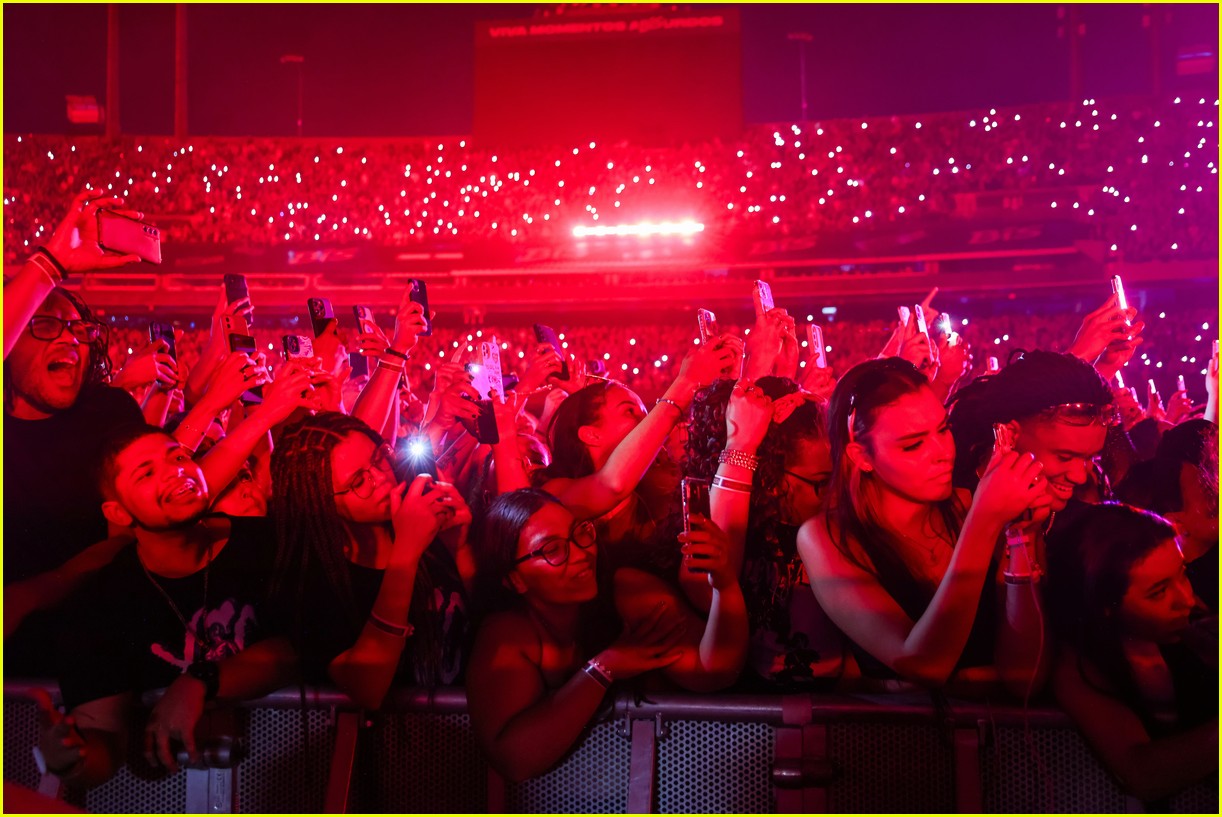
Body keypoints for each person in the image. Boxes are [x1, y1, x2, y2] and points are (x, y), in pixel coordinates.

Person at [37, 415, 312, 786]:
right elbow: (104, 741)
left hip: (295, 774)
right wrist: (71, 759)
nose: (174, 472)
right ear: (118, 512)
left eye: (179, 458)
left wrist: (197, 682)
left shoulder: (271, 543)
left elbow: (298, 650)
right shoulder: (101, 600)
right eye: (146, 474)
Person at [797, 358, 1048, 694]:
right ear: (862, 456)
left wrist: (1021, 538)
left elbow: (1026, 679)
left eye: (943, 430)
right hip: (896, 742)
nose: (942, 452)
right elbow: (924, 664)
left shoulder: (970, 505)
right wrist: (983, 524)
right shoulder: (827, 538)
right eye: (913, 444)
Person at [465, 488, 747, 782]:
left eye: (580, 533)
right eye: (552, 549)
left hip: (672, 783)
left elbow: (715, 670)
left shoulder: (627, 590)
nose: (581, 554)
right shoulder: (507, 634)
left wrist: (724, 584)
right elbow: (515, 760)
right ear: (515, 579)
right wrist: (604, 668)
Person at [267, 412, 473, 709]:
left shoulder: (430, 526)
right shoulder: (314, 580)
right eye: (358, 481)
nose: (380, 478)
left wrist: (462, 549)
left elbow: (487, 630)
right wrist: (406, 549)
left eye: (378, 459)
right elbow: (367, 687)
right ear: (321, 502)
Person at [1045, 503, 1217, 803]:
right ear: (1105, 606)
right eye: (1159, 591)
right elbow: (1143, 774)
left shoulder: (1195, 636)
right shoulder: (1078, 668)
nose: (1186, 599)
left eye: (1182, 574)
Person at [682, 376, 845, 689]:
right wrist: (741, 445)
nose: (836, 496)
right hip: (749, 727)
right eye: (821, 482)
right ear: (770, 482)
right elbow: (706, 586)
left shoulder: (841, 534)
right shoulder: (744, 542)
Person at [538, 338, 738, 573]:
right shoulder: (556, 491)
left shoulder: (664, 485)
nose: (648, 423)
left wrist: (728, 386)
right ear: (591, 434)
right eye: (630, 411)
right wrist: (686, 382)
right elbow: (612, 484)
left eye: (645, 412)